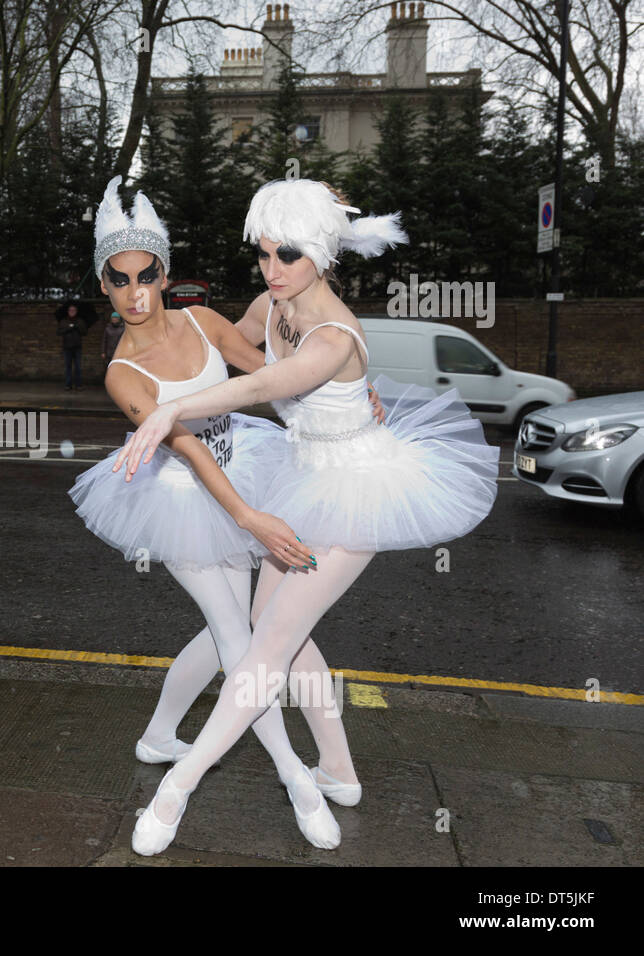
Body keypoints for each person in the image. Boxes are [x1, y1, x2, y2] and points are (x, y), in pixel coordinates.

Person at [114, 178, 499, 855]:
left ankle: (178, 786)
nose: (271, 270)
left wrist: (173, 411)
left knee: (267, 647)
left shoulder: (333, 334)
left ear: (319, 252)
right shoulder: (274, 302)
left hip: (355, 493)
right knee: (280, 634)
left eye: (287, 255)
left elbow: (266, 384)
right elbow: (233, 355)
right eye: (263, 255)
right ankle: (339, 772)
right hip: (303, 474)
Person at [70, 176, 363, 850]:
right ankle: (296, 776)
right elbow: (188, 449)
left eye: (147, 274)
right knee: (240, 639)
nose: (136, 293)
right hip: (184, 501)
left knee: (229, 632)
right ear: (104, 286)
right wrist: (250, 518)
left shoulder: (204, 321)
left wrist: (341, 400)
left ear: (166, 272)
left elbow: (268, 374)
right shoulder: (123, 373)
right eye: (118, 281)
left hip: (245, 469)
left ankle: (158, 735)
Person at [57, 303, 86, 390]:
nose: (72, 312)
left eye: (73, 310)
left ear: (76, 312)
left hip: (77, 347)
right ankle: (68, 385)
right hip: (67, 347)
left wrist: (77, 327)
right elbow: (58, 332)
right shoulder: (63, 321)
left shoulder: (80, 321)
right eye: (70, 310)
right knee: (68, 367)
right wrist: (68, 328)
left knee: (78, 367)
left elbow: (84, 332)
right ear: (68, 311)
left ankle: (79, 385)